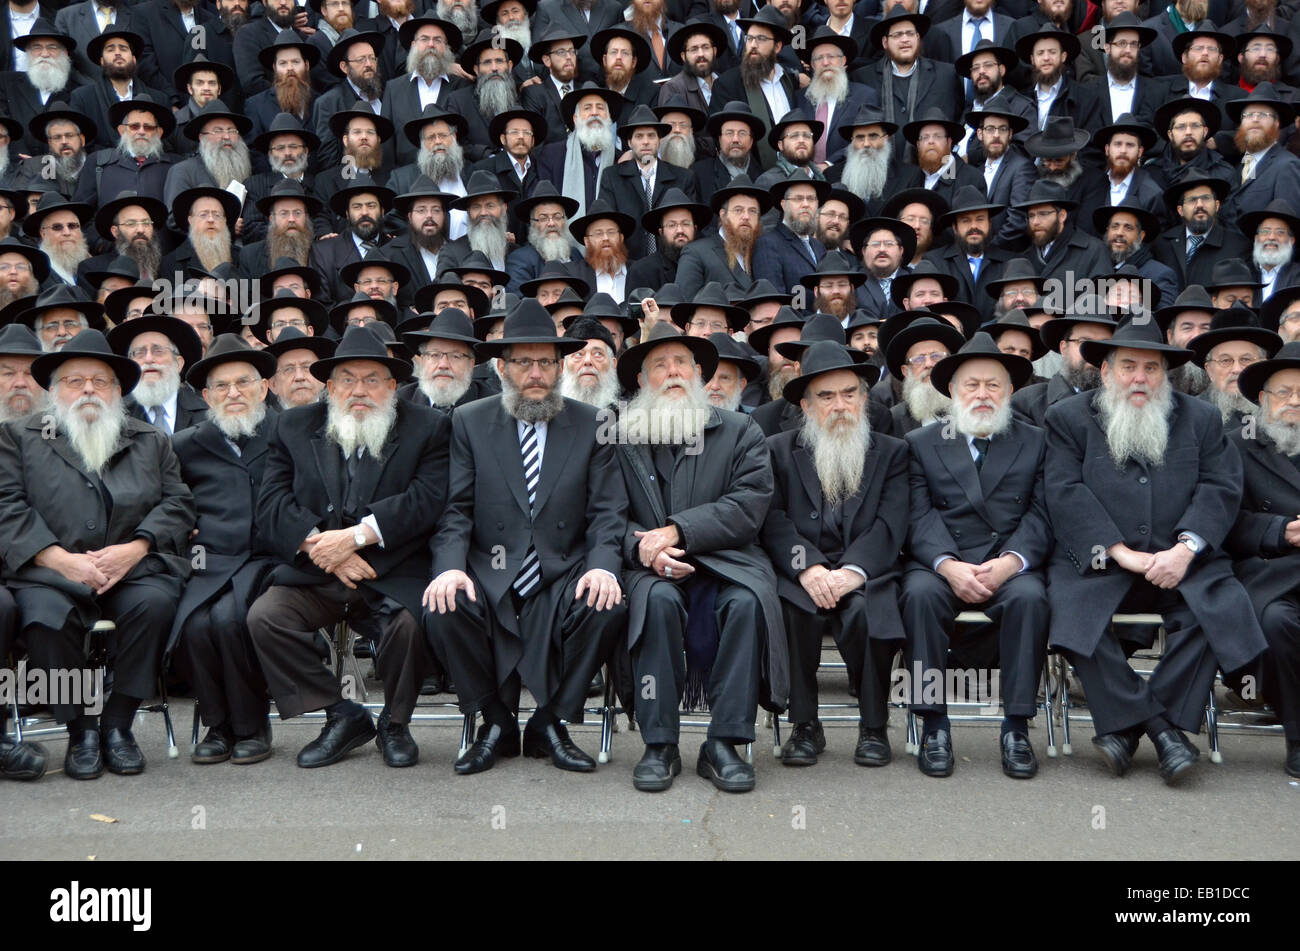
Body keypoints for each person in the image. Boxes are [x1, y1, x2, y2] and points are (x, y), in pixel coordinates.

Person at [1043, 319, 1267, 784]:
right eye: (1127, 366)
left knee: (1216, 611)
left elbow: (1221, 487)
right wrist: (1120, 552)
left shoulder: (1202, 419)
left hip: (1184, 559)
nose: (1139, 377)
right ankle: (1164, 730)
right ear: (1105, 372)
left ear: (1166, 374)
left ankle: (1124, 731)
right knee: (1073, 614)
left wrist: (1186, 549)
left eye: (1151, 367)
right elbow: (1064, 491)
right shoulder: (1068, 418)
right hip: (1103, 560)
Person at [424, 299, 626, 775]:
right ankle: (494, 721)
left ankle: (550, 722)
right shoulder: (469, 421)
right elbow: (456, 508)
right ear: (500, 366)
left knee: (608, 604)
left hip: (562, 567)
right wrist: (450, 566)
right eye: (522, 362)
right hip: (489, 566)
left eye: (546, 362)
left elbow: (607, 511)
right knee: (443, 603)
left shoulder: (594, 423)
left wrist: (602, 565)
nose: (535, 372)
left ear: (560, 367)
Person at [248, 327, 451, 769]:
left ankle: (395, 724)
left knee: (410, 627)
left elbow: (427, 500)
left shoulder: (429, 428)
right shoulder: (291, 426)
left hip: (391, 571)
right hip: (316, 571)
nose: (359, 390)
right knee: (266, 618)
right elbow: (270, 505)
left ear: (393, 386)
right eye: (347, 379)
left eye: (372, 379)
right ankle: (341, 714)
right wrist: (322, 546)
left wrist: (355, 538)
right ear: (330, 385)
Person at [0, 330, 196, 780]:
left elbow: (178, 503)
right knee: (46, 616)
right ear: (54, 391)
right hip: (49, 570)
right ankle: (80, 730)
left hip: (134, 567)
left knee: (156, 604)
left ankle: (117, 725)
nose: (88, 389)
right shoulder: (18, 438)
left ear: (117, 391)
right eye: (74, 380)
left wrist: (137, 546)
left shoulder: (150, 440)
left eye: (100, 381)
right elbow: (7, 505)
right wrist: (57, 559)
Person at [614, 322, 786, 793]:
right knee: (658, 603)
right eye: (659, 365)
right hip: (646, 568)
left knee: (746, 604)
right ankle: (659, 744)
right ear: (642, 380)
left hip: (729, 560)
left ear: (698, 375)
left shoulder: (740, 429)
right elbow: (604, 512)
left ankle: (725, 743)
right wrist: (642, 548)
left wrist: (678, 532)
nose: (672, 373)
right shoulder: (618, 436)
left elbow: (749, 506)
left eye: (681, 364)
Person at [901, 332, 1052, 778]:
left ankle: (1016, 727)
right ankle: (934, 725)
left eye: (993, 385)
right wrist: (948, 565)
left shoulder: (1037, 441)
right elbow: (917, 515)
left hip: (1010, 562)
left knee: (1031, 599)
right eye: (972, 385)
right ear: (952, 390)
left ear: (1009, 391)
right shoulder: (920, 442)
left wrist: (1009, 562)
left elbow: (1044, 513)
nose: (983, 394)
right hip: (942, 562)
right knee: (919, 596)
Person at [762, 341, 907, 767]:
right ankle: (805, 726)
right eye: (826, 396)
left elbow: (890, 523)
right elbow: (772, 519)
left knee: (864, 613)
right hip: (801, 573)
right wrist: (808, 568)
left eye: (849, 393)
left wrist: (853, 572)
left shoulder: (893, 453)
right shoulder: (777, 451)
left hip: (867, 572)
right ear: (806, 407)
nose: (839, 405)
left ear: (864, 399)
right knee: (795, 612)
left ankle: (873, 727)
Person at [170, 335, 279, 765]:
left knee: (232, 619)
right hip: (210, 561)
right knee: (196, 624)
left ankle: (252, 726)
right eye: (221, 386)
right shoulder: (186, 444)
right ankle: (218, 725)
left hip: (269, 557)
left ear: (264, 387)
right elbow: (172, 500)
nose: (233, 393)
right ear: (206, 396)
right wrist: (186, 529)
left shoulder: (287, 431)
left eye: (243, 383)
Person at [1228, 343, 1300, 778]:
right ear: (1262, 399)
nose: (1295, 401)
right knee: (1276, 623)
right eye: (1285, 392)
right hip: (1269, 572)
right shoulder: (1236, 445)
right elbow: (1224, 522)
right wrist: (1281, 531)